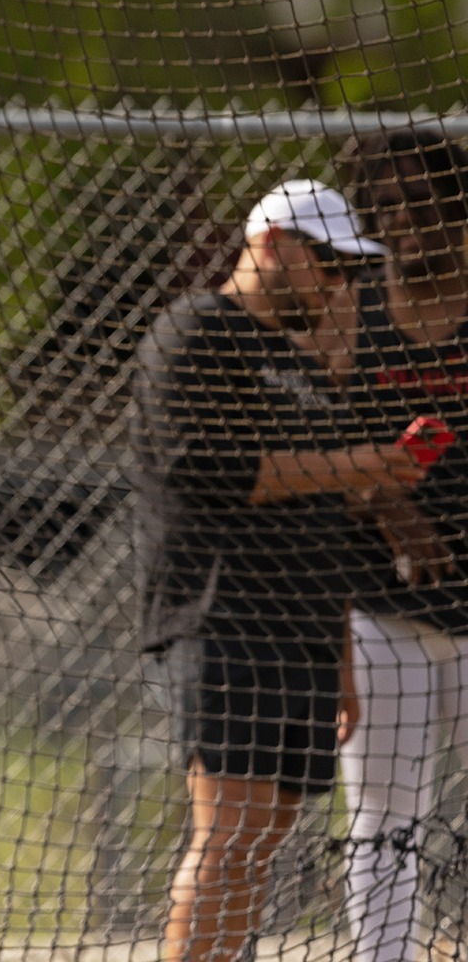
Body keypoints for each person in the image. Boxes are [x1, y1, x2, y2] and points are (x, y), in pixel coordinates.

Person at [130, 178, 424, 962]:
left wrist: (341, 662)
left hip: (301, 637)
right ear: (271, 244)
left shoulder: (300, 363)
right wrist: (361, 462)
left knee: (257, 852)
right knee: (226, 844)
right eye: (328, 266)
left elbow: (322, 526)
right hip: (226, 624)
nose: (340, 284)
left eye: (350, 272)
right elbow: (212, 471)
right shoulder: (195, 331)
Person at [334, 129, 468, 962]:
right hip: (383, 612)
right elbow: (314, 440)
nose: (401, 222)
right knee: (383, 819)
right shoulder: (354, 312)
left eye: (418, 202)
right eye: (383, 208)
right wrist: (386, 504)